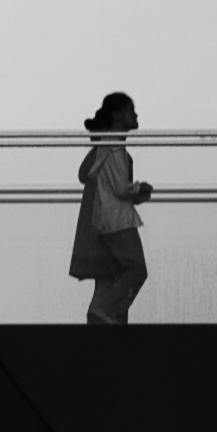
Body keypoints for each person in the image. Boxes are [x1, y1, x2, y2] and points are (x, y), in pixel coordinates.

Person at [69, 89, 153, 325]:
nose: (136, 116)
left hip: (101, 221)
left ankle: (101, 317)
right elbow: (119, 188)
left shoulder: (103, 149)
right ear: (118, 114)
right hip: (117, 219)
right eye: (131, 111)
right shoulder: (115, 149)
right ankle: (105, 312)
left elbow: (87, 176)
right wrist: (139, 189)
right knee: (136, 270)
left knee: (110, 276)